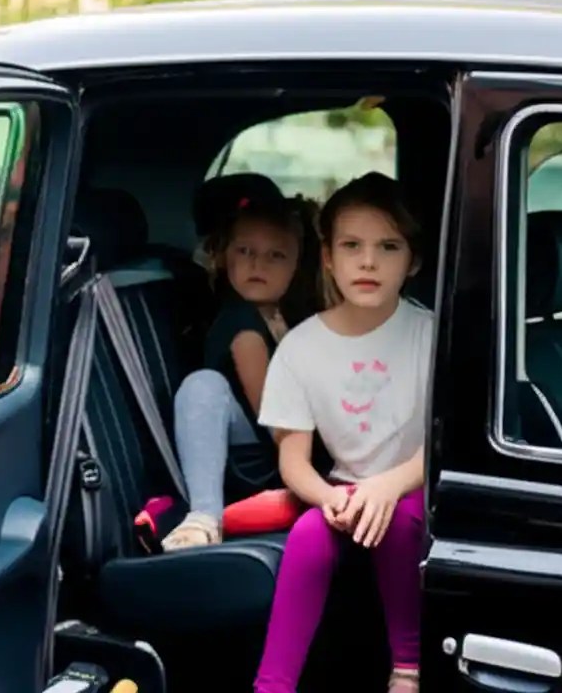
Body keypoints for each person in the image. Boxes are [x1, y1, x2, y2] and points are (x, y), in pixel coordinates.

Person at [253, 173, 433, 692]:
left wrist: (390, 484)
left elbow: (442, 446)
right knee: (310, 533)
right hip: (344, 492)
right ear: (328, 257)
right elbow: (293, 462)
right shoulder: (301, 348)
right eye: (352, 246)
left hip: (416, 488)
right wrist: (330, 498)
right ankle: (272, 685)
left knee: (397, 521)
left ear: (413, 261)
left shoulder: (430, 335)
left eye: (388, 247)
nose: (369, 262)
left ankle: (408, 669)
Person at [161, 194, 317, 550]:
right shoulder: (243, 325)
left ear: (297, 266)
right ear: (224, 256)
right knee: (204, 385)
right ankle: (204, 516)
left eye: (276, 255)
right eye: (245, 251)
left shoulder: (285, 319)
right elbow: (275, 415)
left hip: (284, 456)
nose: (258, 264)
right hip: (258, 465)